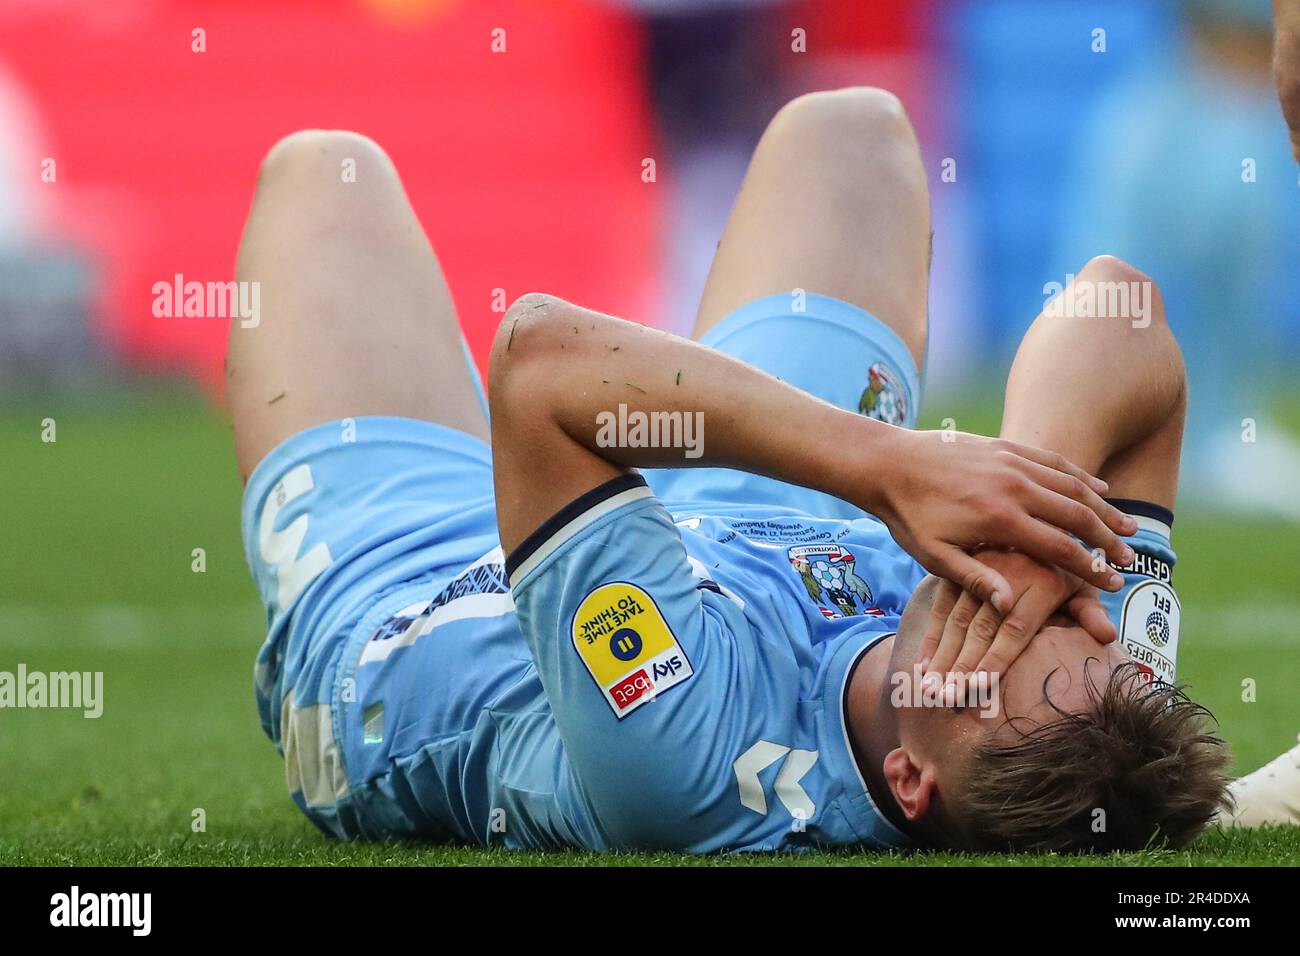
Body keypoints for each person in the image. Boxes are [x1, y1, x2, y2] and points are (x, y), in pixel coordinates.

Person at [226, 88, 1229, 852]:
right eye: (1048, 609)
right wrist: (1030, 506)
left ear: (908, 779)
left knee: (323, 169)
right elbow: (1121, 314)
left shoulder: (685, 754)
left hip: (413, 604)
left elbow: (538, 370)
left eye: (986, 650)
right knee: (849, 130)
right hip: (764, 521)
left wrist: (890, 467)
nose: (1004, 591)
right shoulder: (1103, 693)